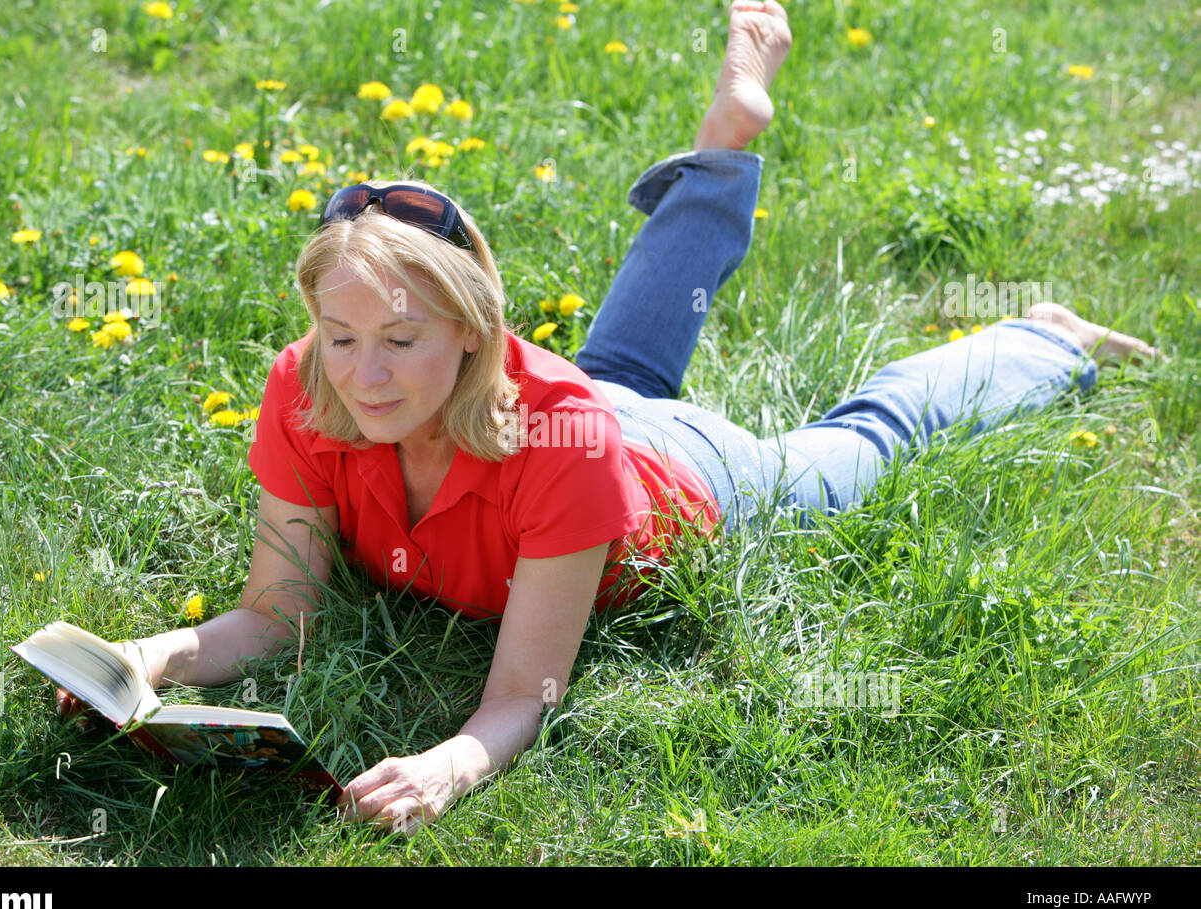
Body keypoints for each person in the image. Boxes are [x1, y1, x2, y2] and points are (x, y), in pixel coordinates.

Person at [58, 1, 1161, 833]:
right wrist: (142, 655)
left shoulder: (562, 433)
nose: (366, 375)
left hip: (688, 477)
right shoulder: (309, 386)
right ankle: (724, 145)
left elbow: (525, 688)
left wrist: (448, 763)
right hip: (585, 408)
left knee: (861, 441)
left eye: (401, 339)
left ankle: (1041, 339)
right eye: (342, 337)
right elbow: (273, 614)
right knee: (624, 361)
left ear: (474, 335)